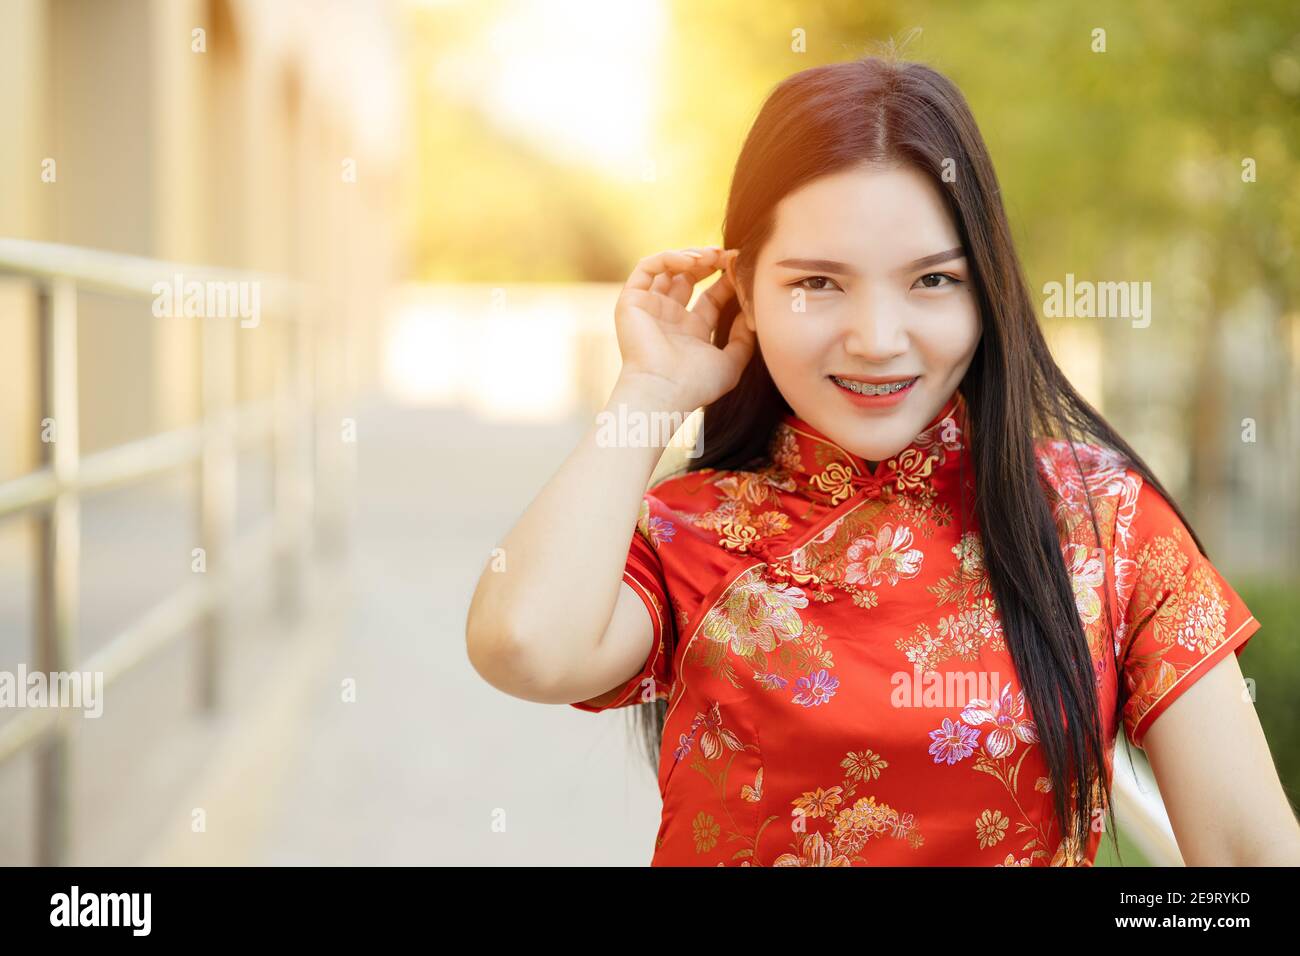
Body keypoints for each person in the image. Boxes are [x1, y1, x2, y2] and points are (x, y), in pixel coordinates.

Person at [465, 54, 1299, 866]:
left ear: (988, 290)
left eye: (932, 281)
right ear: (745, 292)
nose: (876, 339)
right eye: (818, 284)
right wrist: (648, 392)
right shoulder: (696, 529)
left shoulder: (1106, 525)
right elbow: (525, 646)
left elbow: (1249, 856)